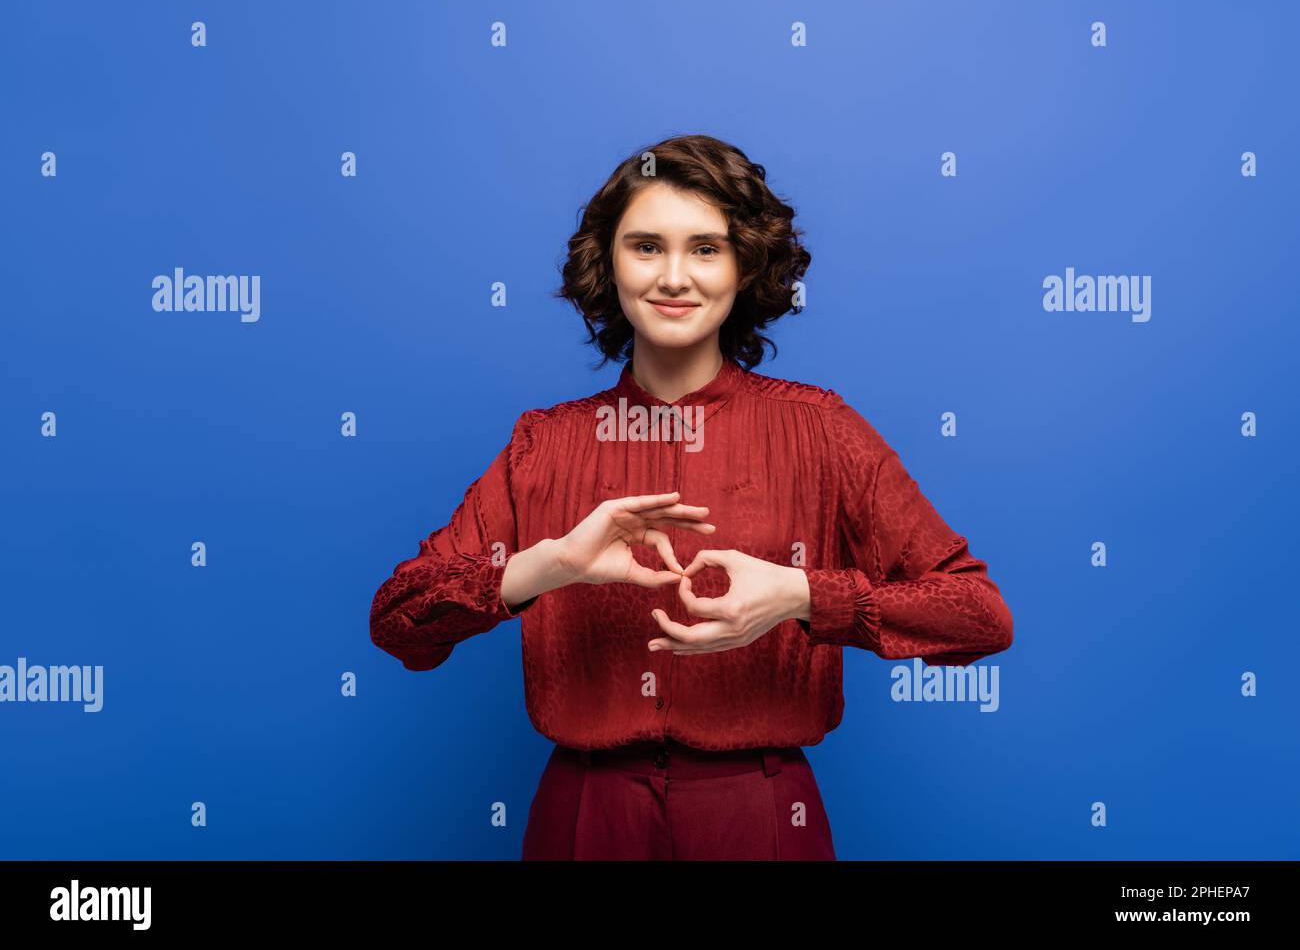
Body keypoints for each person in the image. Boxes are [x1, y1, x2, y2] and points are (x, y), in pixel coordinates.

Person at [369, 134, 1014, 860]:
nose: (674, 276)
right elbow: (398, 619)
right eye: (646, 246)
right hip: (583, 815)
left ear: (746, 266)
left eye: (706, 248)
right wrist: (548, 564)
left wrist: (804, 594)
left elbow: (978, 616)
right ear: (606, 264)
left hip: (763, 814)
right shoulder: (541, 444)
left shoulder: (823, 429)